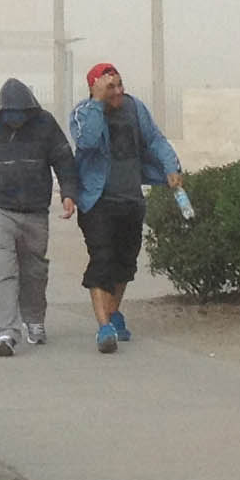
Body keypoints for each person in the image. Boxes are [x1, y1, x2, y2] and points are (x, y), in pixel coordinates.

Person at [70, 62, 184, 354]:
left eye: (120, 84)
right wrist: (98, 103)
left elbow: (155, 139)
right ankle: (104, 327)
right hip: (97, 201)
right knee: (102, 260)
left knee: (124, 264)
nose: (118, 91)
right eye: (111, 86)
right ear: (95, 88)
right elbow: (88, 141)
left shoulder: (135, 108)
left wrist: (170, 167)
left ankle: (113, 313)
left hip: (131, 198)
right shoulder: (83, 113)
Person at [0, 78, 79, 357]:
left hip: (36, 211)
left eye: (21, 114)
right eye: (10, 115)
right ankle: (6, 331)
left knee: (34, 272)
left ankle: (35, 320)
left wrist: (68, 192)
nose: (16, 120)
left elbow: (63, 159)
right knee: (3, 269)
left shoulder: (45, 124)